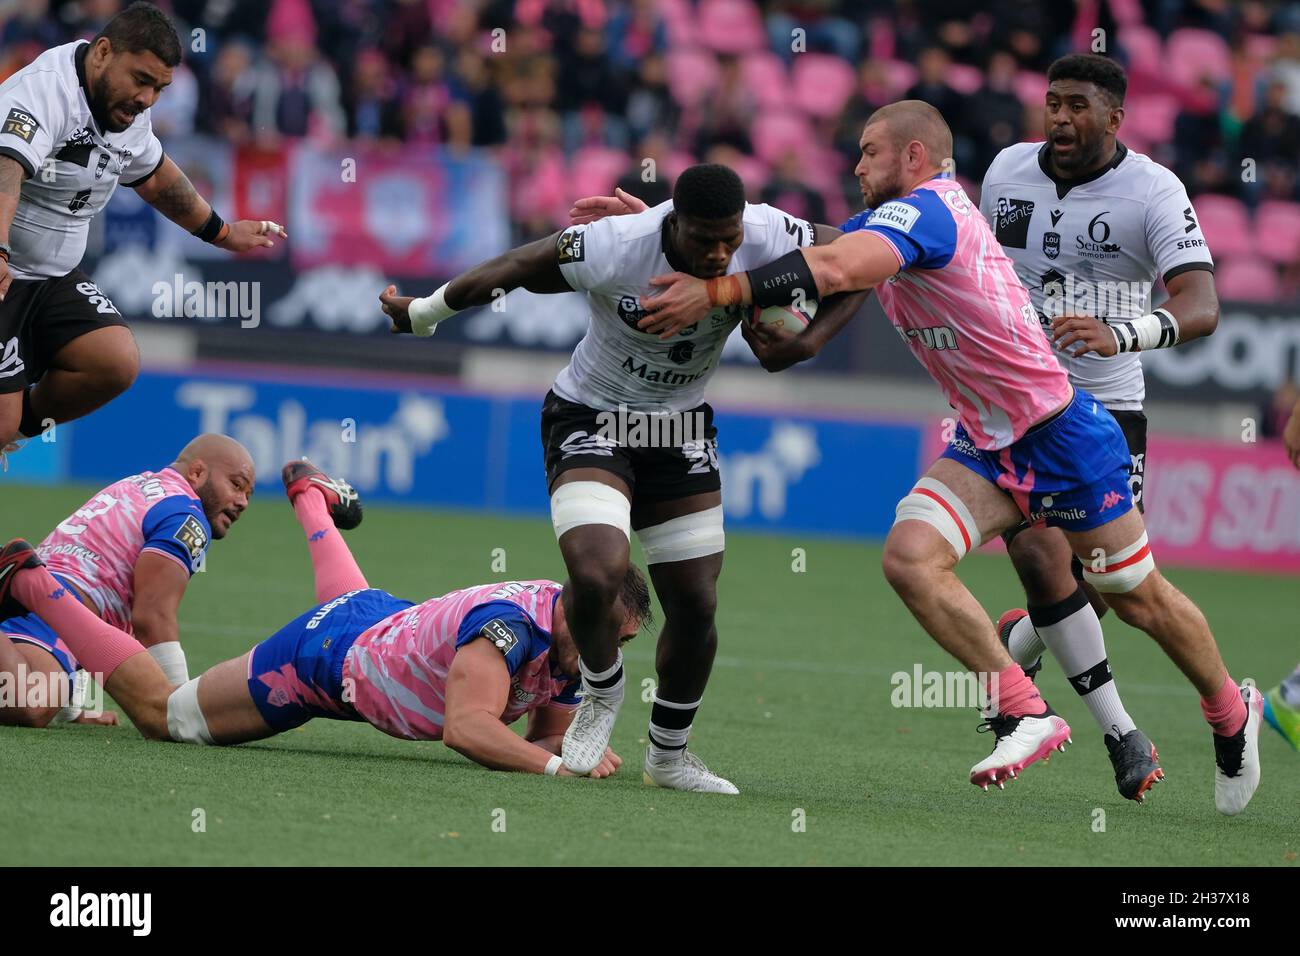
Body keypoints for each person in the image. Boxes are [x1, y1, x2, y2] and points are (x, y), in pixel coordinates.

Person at [634, 101, 1263, 815]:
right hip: (987, 442)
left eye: (869, 152)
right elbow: (810, 241)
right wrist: (660, 236)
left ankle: (1230, 714)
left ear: (913, 158)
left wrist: (714, 291)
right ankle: (1026, 712)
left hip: (1059, 434)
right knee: (909, 557)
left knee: (1137, 599)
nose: (855, 165)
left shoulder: (930, 209)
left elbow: (834, 264)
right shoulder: (894, 224)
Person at [379, 163, 865, 792]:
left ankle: (669, 756)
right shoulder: (618, 244)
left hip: (679, 430)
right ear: (672, 223)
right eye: (703, 240)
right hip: (592, 416)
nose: (721, 254)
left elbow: (863, 261)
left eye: (731, 238)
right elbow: (517, 267)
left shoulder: (773, 232)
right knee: (597, 570)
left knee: (695, 601)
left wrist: (807, 343)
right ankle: (601, 692)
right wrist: (423, 312)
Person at [0, 460, 650, 778]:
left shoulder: (575, 642)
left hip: (377, 622)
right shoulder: (508, 627)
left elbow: (537, 736)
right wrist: (557, 769)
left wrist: (567, 744)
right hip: (321, 659)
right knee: (167, 720)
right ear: (576, 608)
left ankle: (309, 495)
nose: (607, 656)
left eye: (619, 645)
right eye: (607, 639)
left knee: (358, 619)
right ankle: (31, 581)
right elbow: (468, 728)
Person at [971, 53, 1221, 802]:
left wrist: (1125, 334)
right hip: (1020, 404)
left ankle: (1019, 641)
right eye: (1052, 102)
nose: (1060, 118)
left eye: (1077, 105)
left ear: (1114, 117)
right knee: (1046, 557)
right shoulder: (1007, 172)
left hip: (1110, 410)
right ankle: (1119, 736)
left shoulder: (1153, 190)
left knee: (1105, 589)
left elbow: (1202, 305)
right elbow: (980, 272)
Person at [0, 2, 286, 456]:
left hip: (49, 277)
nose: (148, 99)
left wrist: (223, 233)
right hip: (5, 270)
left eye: (160, 88)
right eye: (141, 80)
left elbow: (154, 176)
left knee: (113, 362)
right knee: (1, 419)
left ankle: (10, 434)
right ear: (103, 53)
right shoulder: (45, 90)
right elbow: (6, 171)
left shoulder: (126, 110)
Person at [0, 434, 253, 727]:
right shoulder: (188, 517)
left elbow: (103, 596)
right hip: (49, 603)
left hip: (41, 599)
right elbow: (151, 616)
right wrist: (182, 712)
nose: (243, 502)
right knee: (28, 702)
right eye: (236, 485)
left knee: (30, 699)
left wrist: (71, 707)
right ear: (197, 472)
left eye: (248, 494)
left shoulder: (136, 483)